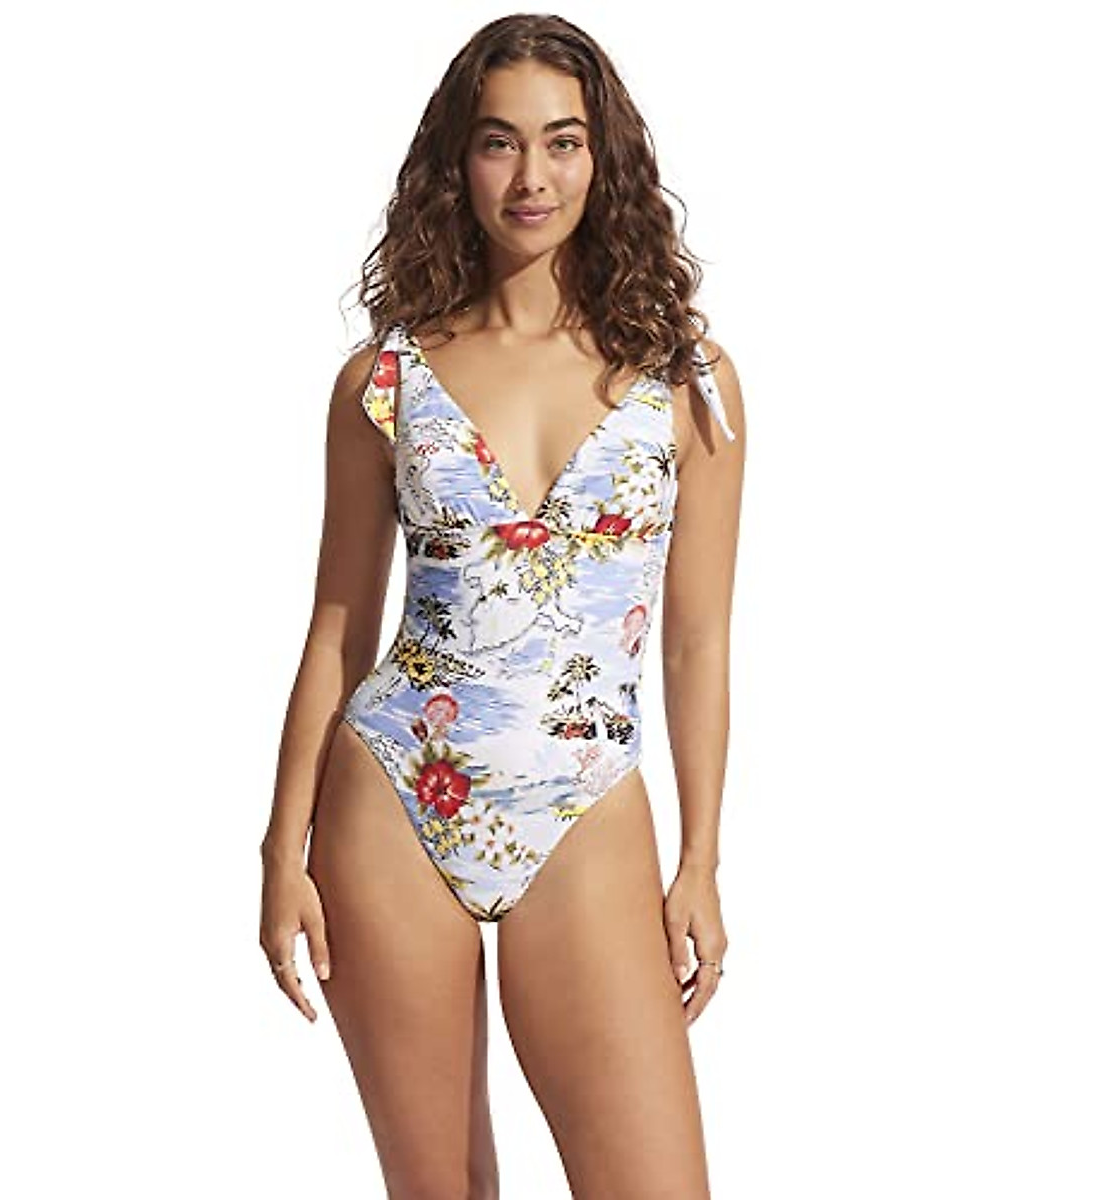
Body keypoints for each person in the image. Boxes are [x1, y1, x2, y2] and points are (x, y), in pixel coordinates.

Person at [259, 13, 745, 1197]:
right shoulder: (384, 381)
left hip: (585, 805)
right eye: (499, 142)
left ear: (603, 156)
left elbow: (698, 641)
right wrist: (280, 851)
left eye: (562, 141)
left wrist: (701, 860)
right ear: (458, 161)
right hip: (392, 798)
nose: (532, 176)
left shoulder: (689, 383)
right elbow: (337, 627)